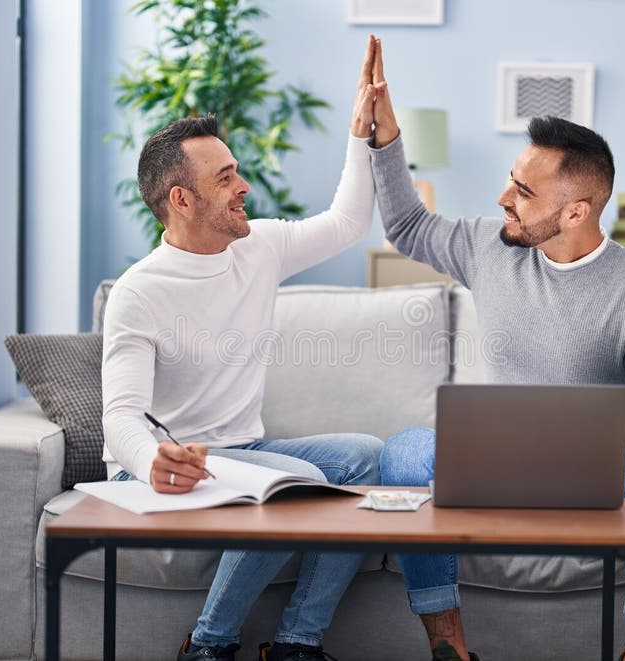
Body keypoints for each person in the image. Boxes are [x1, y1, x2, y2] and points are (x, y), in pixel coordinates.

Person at [363, 39, 625, 661]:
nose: (503, 199)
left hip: (601, 463)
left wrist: (607, 436)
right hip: (499, 457)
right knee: (405, 453)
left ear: (576, 210)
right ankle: (448, 644)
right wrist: (385, 140)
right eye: (510, 180)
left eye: (522, 190)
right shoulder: (490, 246)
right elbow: (408, 227)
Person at [100, 36, 387, 661]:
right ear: (181, 200)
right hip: (160, 467)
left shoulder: (258, 245)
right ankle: (207, 646)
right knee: (298, 483)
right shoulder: (138, 292)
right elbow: (121, 415)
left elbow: (347, 223)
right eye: (225, 178)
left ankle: (294, 644)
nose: (244, 187)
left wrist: (360, 133)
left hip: (243, 452)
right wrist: (152, 460)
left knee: (364, 458)